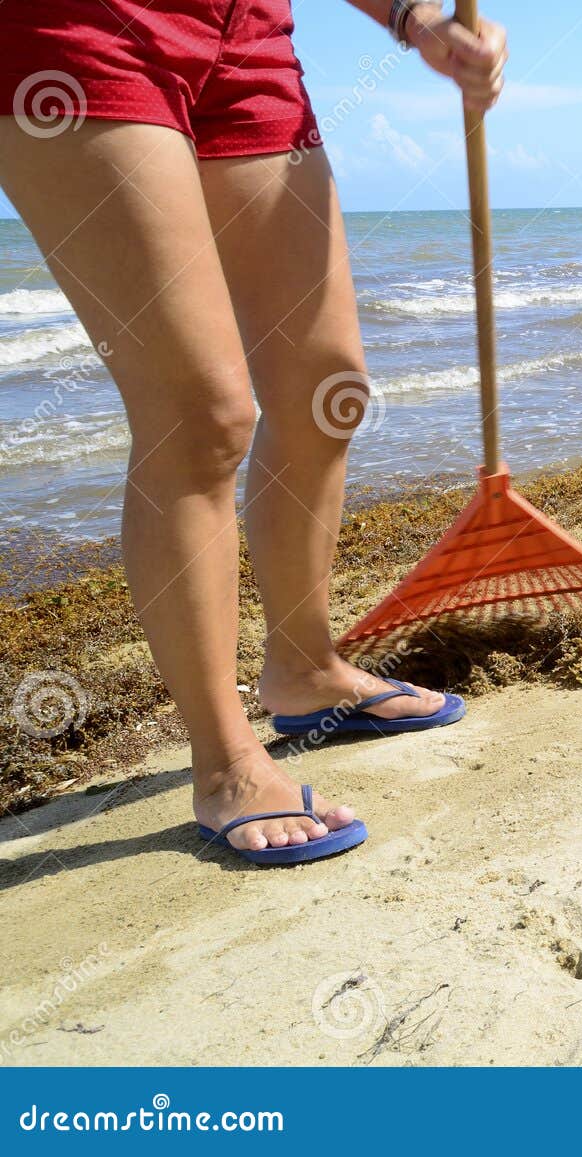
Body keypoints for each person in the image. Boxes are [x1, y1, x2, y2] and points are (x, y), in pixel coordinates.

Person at [0, 1, 507, 863]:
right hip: (77, 29)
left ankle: (305, 669)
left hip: (245, 35)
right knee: (200, 413)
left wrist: (409, 14)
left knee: (326, 387)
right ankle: (226, 760)